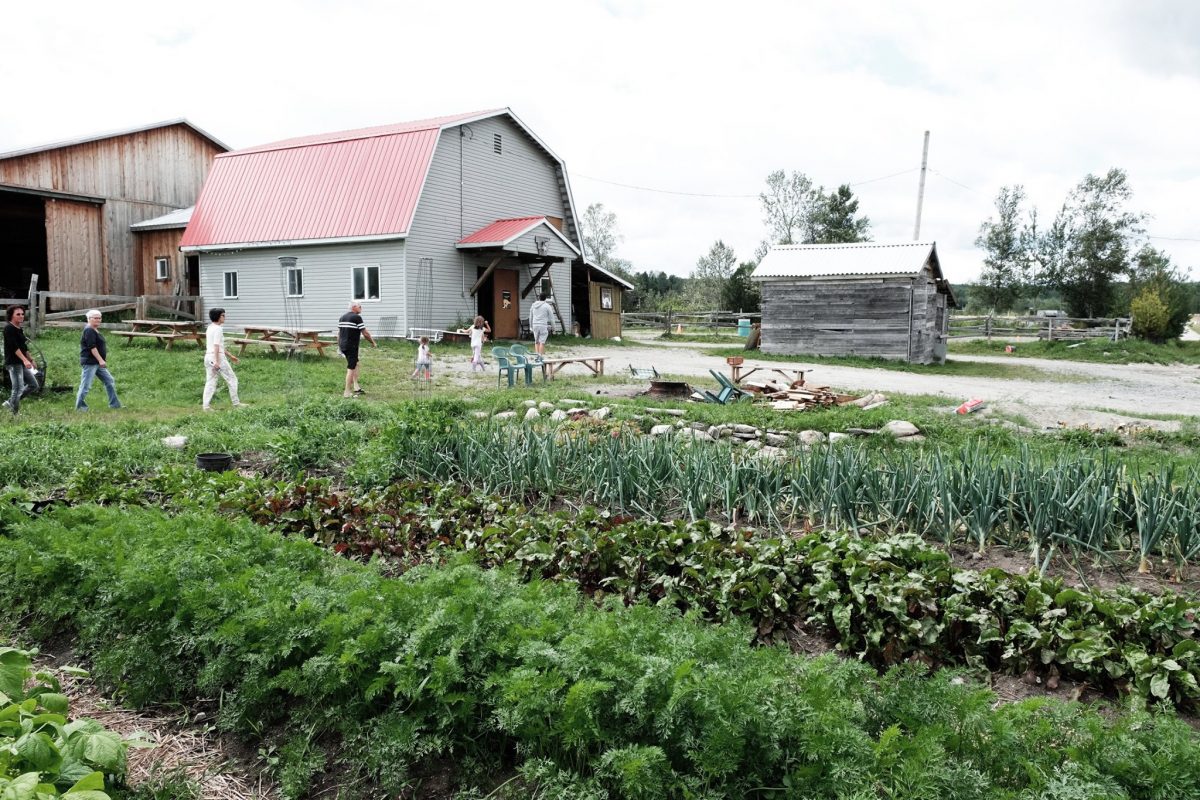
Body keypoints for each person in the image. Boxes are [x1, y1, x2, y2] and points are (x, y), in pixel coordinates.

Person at [75, 309, 122, 411]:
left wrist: (100, 361)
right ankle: (80, 408)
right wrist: (101, 360)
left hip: (96, 362)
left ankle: (115, 405)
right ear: (89, 319)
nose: (98, 320)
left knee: (109, 381)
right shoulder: (89, 330)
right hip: (90, 362)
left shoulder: (94, 329)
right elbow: (92, 347)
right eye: (95, 318)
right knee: (86, 386)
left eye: (99, 318)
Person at [202, 307, 244, 410]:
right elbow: (216, 346)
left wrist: (230, 356)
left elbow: (218, 346)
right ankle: (236, 404)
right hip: (217, 358)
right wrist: (217, 361)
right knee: (232, 379)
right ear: (218, 317)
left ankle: (206, 407)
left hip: (208, 357)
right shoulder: (218, 329)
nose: (225, 317)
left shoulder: (210, 328)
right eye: (223, 315)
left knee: (210, 381)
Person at [3, 306, 37, 417]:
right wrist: (25, 360)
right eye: (18, 314)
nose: (21, 316)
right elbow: (14, 347)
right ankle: (14, 414)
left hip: (21, 362)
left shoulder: (19, 329)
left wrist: (31, 359)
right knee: (17, 389)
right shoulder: (9, 329)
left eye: (22, 314)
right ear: (11, 315)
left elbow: (23, 346)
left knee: (33, 384)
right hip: (13, 363)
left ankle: (10, 403)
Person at [338, 301, 377, 398]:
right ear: (354, 307)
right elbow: (365, 333)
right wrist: (372, 342)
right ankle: (347, 392)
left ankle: (356, 387)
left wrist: (340, 346)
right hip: (351, 346)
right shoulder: (356, 317)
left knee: (356, 364)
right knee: (351, 368)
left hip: (343, 345)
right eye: (360, 306)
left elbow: (338, 334)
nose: (361, 308)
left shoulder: (343, 317)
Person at [529, 293, 555, 358]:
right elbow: (552, 318)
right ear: (545, 298)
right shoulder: (547, 306)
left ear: (539, 298)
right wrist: (553, 328)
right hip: (543, 325)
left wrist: (531, 326)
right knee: (542, 342)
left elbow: (530, 316)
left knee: (536, 341)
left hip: (535, 325)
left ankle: (536, 356)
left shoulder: (533, 305)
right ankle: (540, 357)